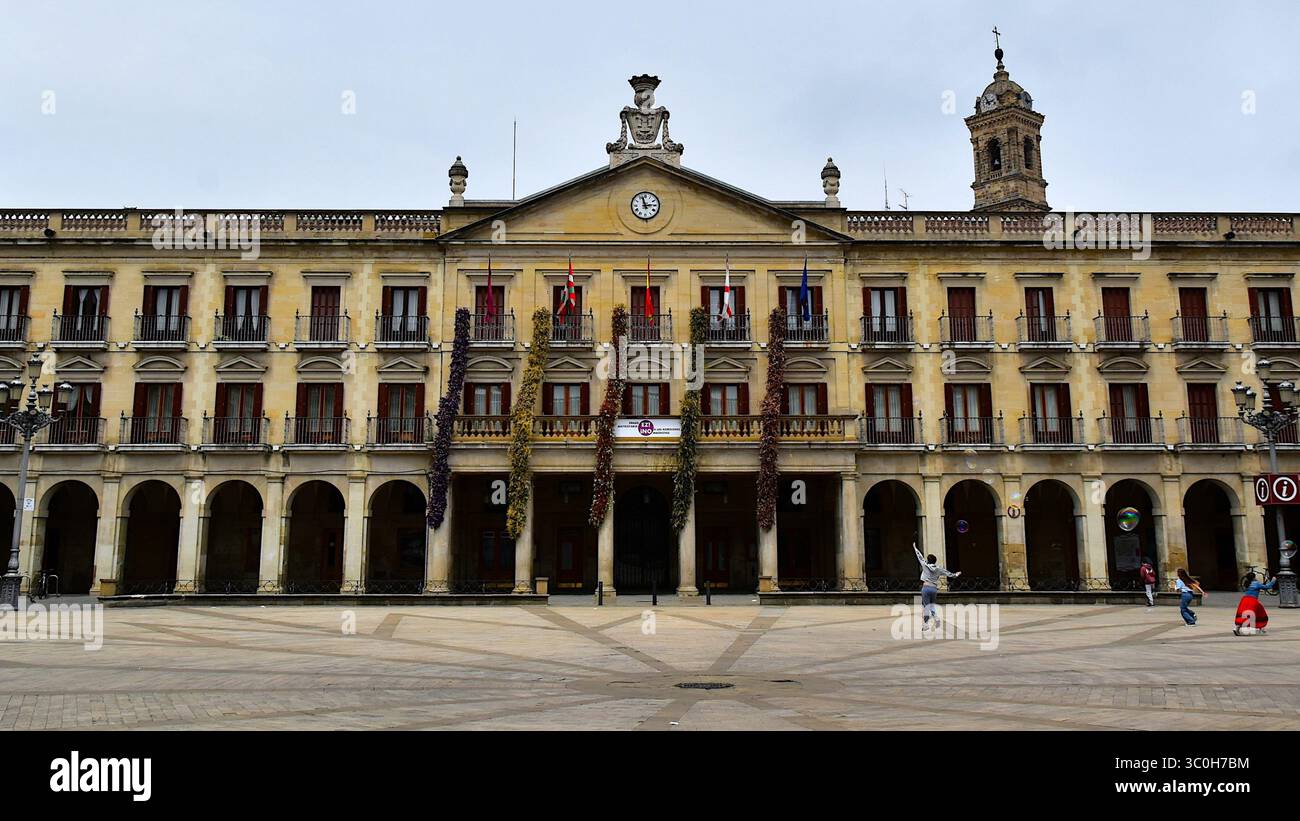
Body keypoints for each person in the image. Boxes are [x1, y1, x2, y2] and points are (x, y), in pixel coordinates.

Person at [913, 543, 961, 631]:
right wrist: (956, 574)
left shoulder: (925, 565)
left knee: (926, 606)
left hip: (926, 588)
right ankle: (936, 618)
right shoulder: (939, 569)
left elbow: (919, 557)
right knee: (931, 605)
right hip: (934, 589)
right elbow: (949, 574)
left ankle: (926, 625)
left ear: (928, 560)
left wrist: (915, 548)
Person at [1234, 571, 1277, 636]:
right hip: (1252, 600)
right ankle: (1261, 626)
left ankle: (1238, 627)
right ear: (1254, 577)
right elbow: (1267, 587)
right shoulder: (1256, 583)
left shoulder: (1247, 583)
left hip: (1245, 600)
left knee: (1246, 614)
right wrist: (1273, 580)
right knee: (1260, 613)